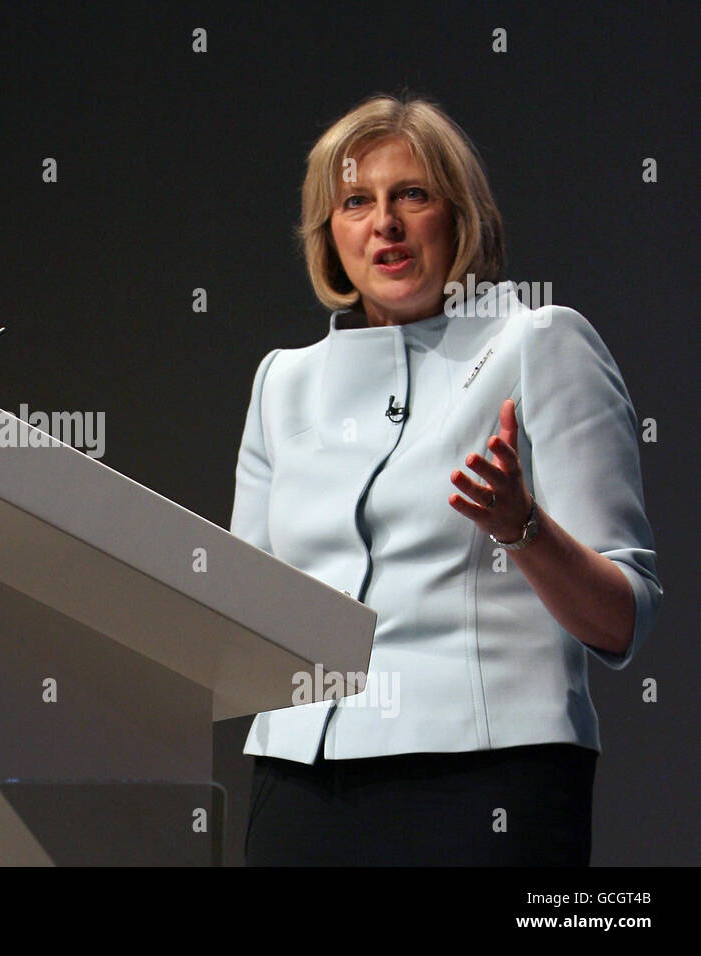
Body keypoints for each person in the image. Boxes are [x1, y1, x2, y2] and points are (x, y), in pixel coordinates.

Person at [231, 93, 662, 866]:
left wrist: (521, 528)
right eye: (356, 201)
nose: (383, 223)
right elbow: (243, 605)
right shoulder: (282, 383)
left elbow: (621, 619)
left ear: (459, 218)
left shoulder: (539, 342)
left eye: (412, 196)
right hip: (298, 781)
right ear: (330, 232)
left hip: (484, 785)